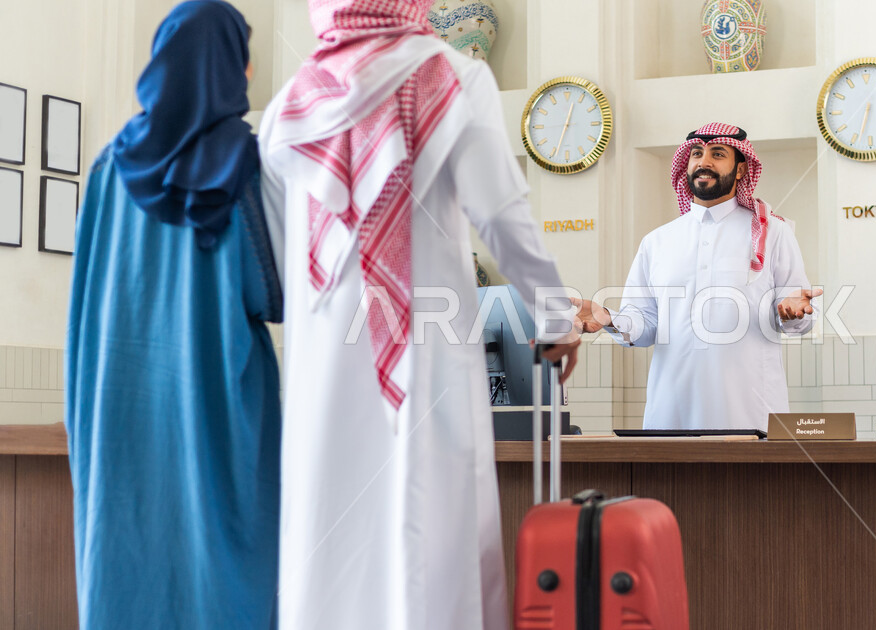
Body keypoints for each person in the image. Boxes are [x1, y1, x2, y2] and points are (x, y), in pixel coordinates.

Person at [256, 1, 579, 628]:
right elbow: (502, 214)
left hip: (321, 368)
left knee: (329, 535)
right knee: (427, 524)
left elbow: (277, 248)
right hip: (423, 360)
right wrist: (556, 315)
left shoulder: (293, 102)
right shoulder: (449, 74)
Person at [64, 2, 282, 628]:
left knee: (127, 558)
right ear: (231, 65)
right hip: (212, 408)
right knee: (225, 571)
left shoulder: (108, 166)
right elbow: (273, 295)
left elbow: (86, 295)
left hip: (117, 406)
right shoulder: (245, 164)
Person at [574, 122, 821, 432]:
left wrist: (793, 314)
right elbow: (645, 325)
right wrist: (608, 317)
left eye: (718, 154)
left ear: (742, 170)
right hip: (670, 414)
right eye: (696, 154)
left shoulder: (773, 233)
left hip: (749, 414)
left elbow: (800, 317)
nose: (704, 162)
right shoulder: (658, 241)